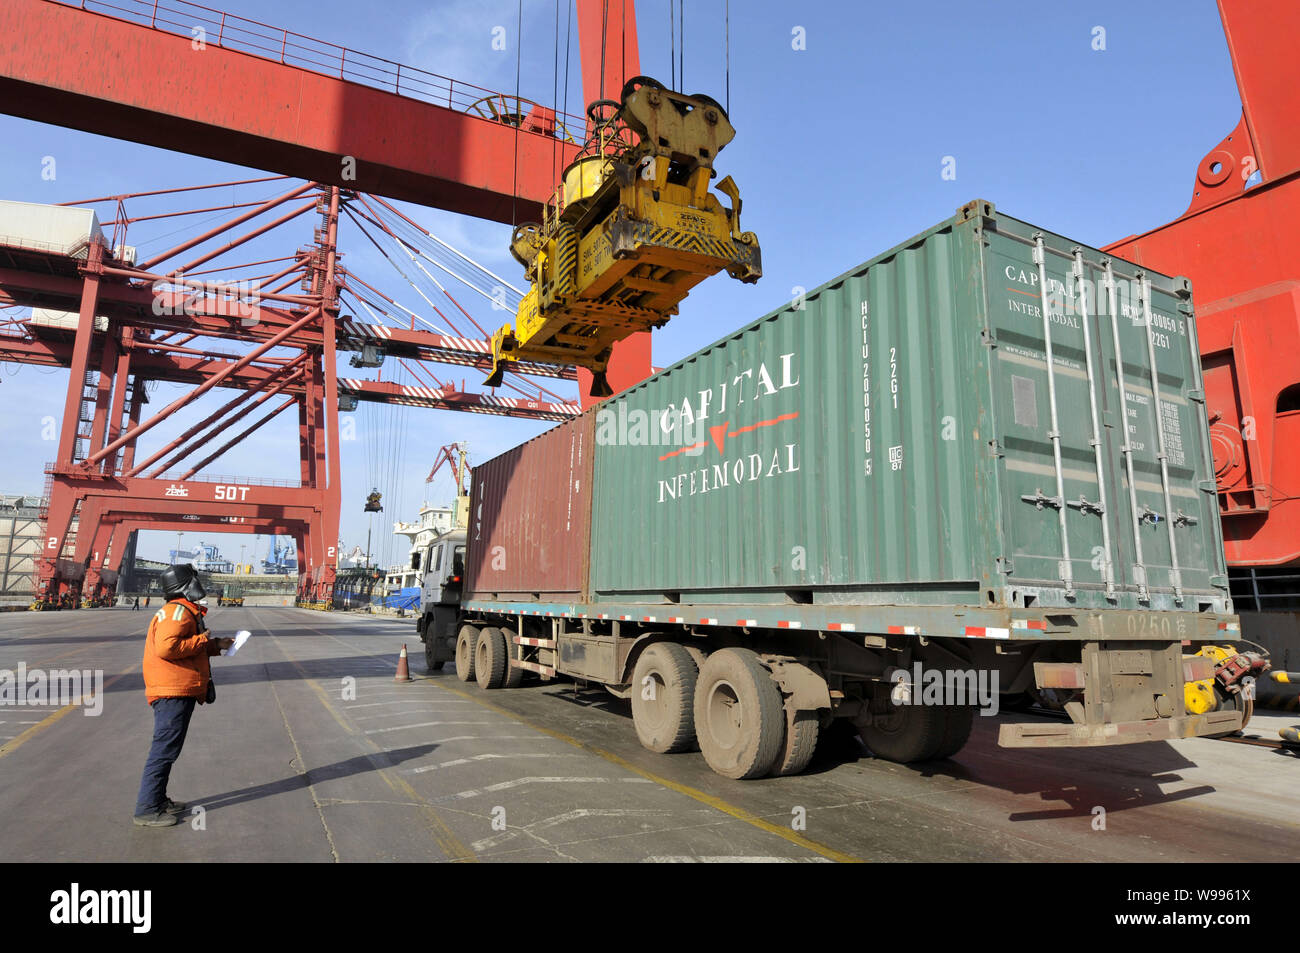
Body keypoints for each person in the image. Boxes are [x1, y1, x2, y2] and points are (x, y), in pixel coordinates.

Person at [132, 565, 233, 828]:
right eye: (195, 580)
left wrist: (216, 645)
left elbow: (185, 645)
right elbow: (169, 648)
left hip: (177, 690)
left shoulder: (181, 611)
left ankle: (158, 800)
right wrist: (202, 641)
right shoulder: (178, 611)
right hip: (172, 692)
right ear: (186, 585)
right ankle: (146, 809)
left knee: (168, 750)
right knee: (163, 751)